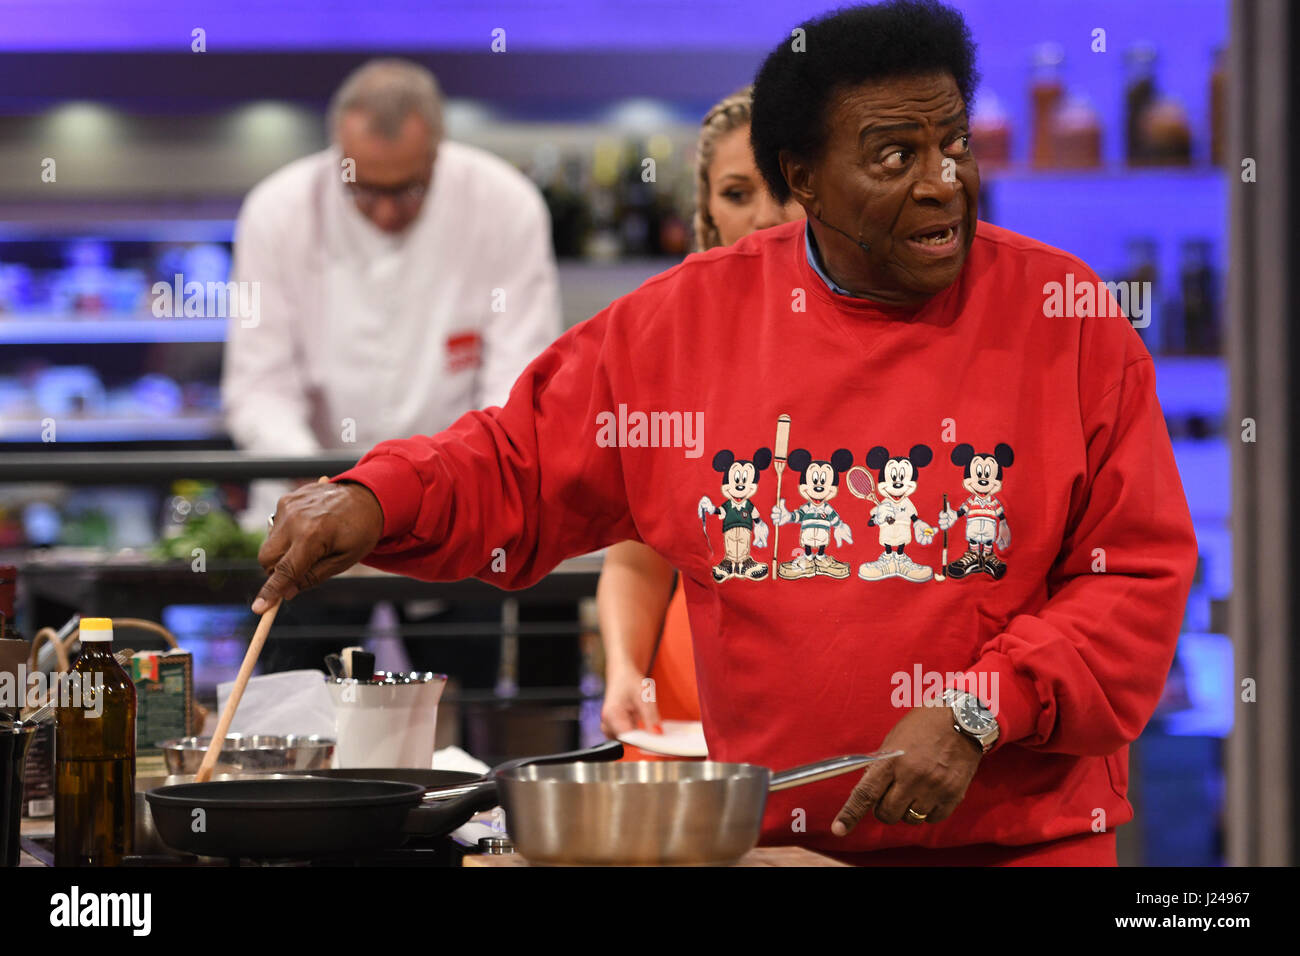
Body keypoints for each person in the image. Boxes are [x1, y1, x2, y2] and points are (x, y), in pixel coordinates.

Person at [251, 0, 1198, 866]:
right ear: (804, 180)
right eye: (894, 155)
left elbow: (1136, 580)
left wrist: (979, 708)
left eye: (953, 143)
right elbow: (517, 461)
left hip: (1022, 849)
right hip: (783, 851)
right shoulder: (684, 325)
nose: (942, 184)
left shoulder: (1068, 318)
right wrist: (377, 495)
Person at [222, 58, 562, 675]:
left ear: (437, 153)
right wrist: (335, 497)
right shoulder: (277, 209)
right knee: (298, 721)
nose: (384, 213)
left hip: (459, 505)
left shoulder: (505, 204)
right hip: (305, 508)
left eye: (406, 189)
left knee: (465, 716)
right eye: (364, 189)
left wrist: (417, 489)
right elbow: (259, 386)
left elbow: (516, 383)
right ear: (337, 155)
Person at [598, 87, 802, 748]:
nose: (766, 217)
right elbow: (636, 559)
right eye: (737, 194)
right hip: (684, 723)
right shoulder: (669, 347)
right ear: (708, 211)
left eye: (785, 188)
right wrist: (624, 669)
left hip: (833, 725)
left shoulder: (891, 342)